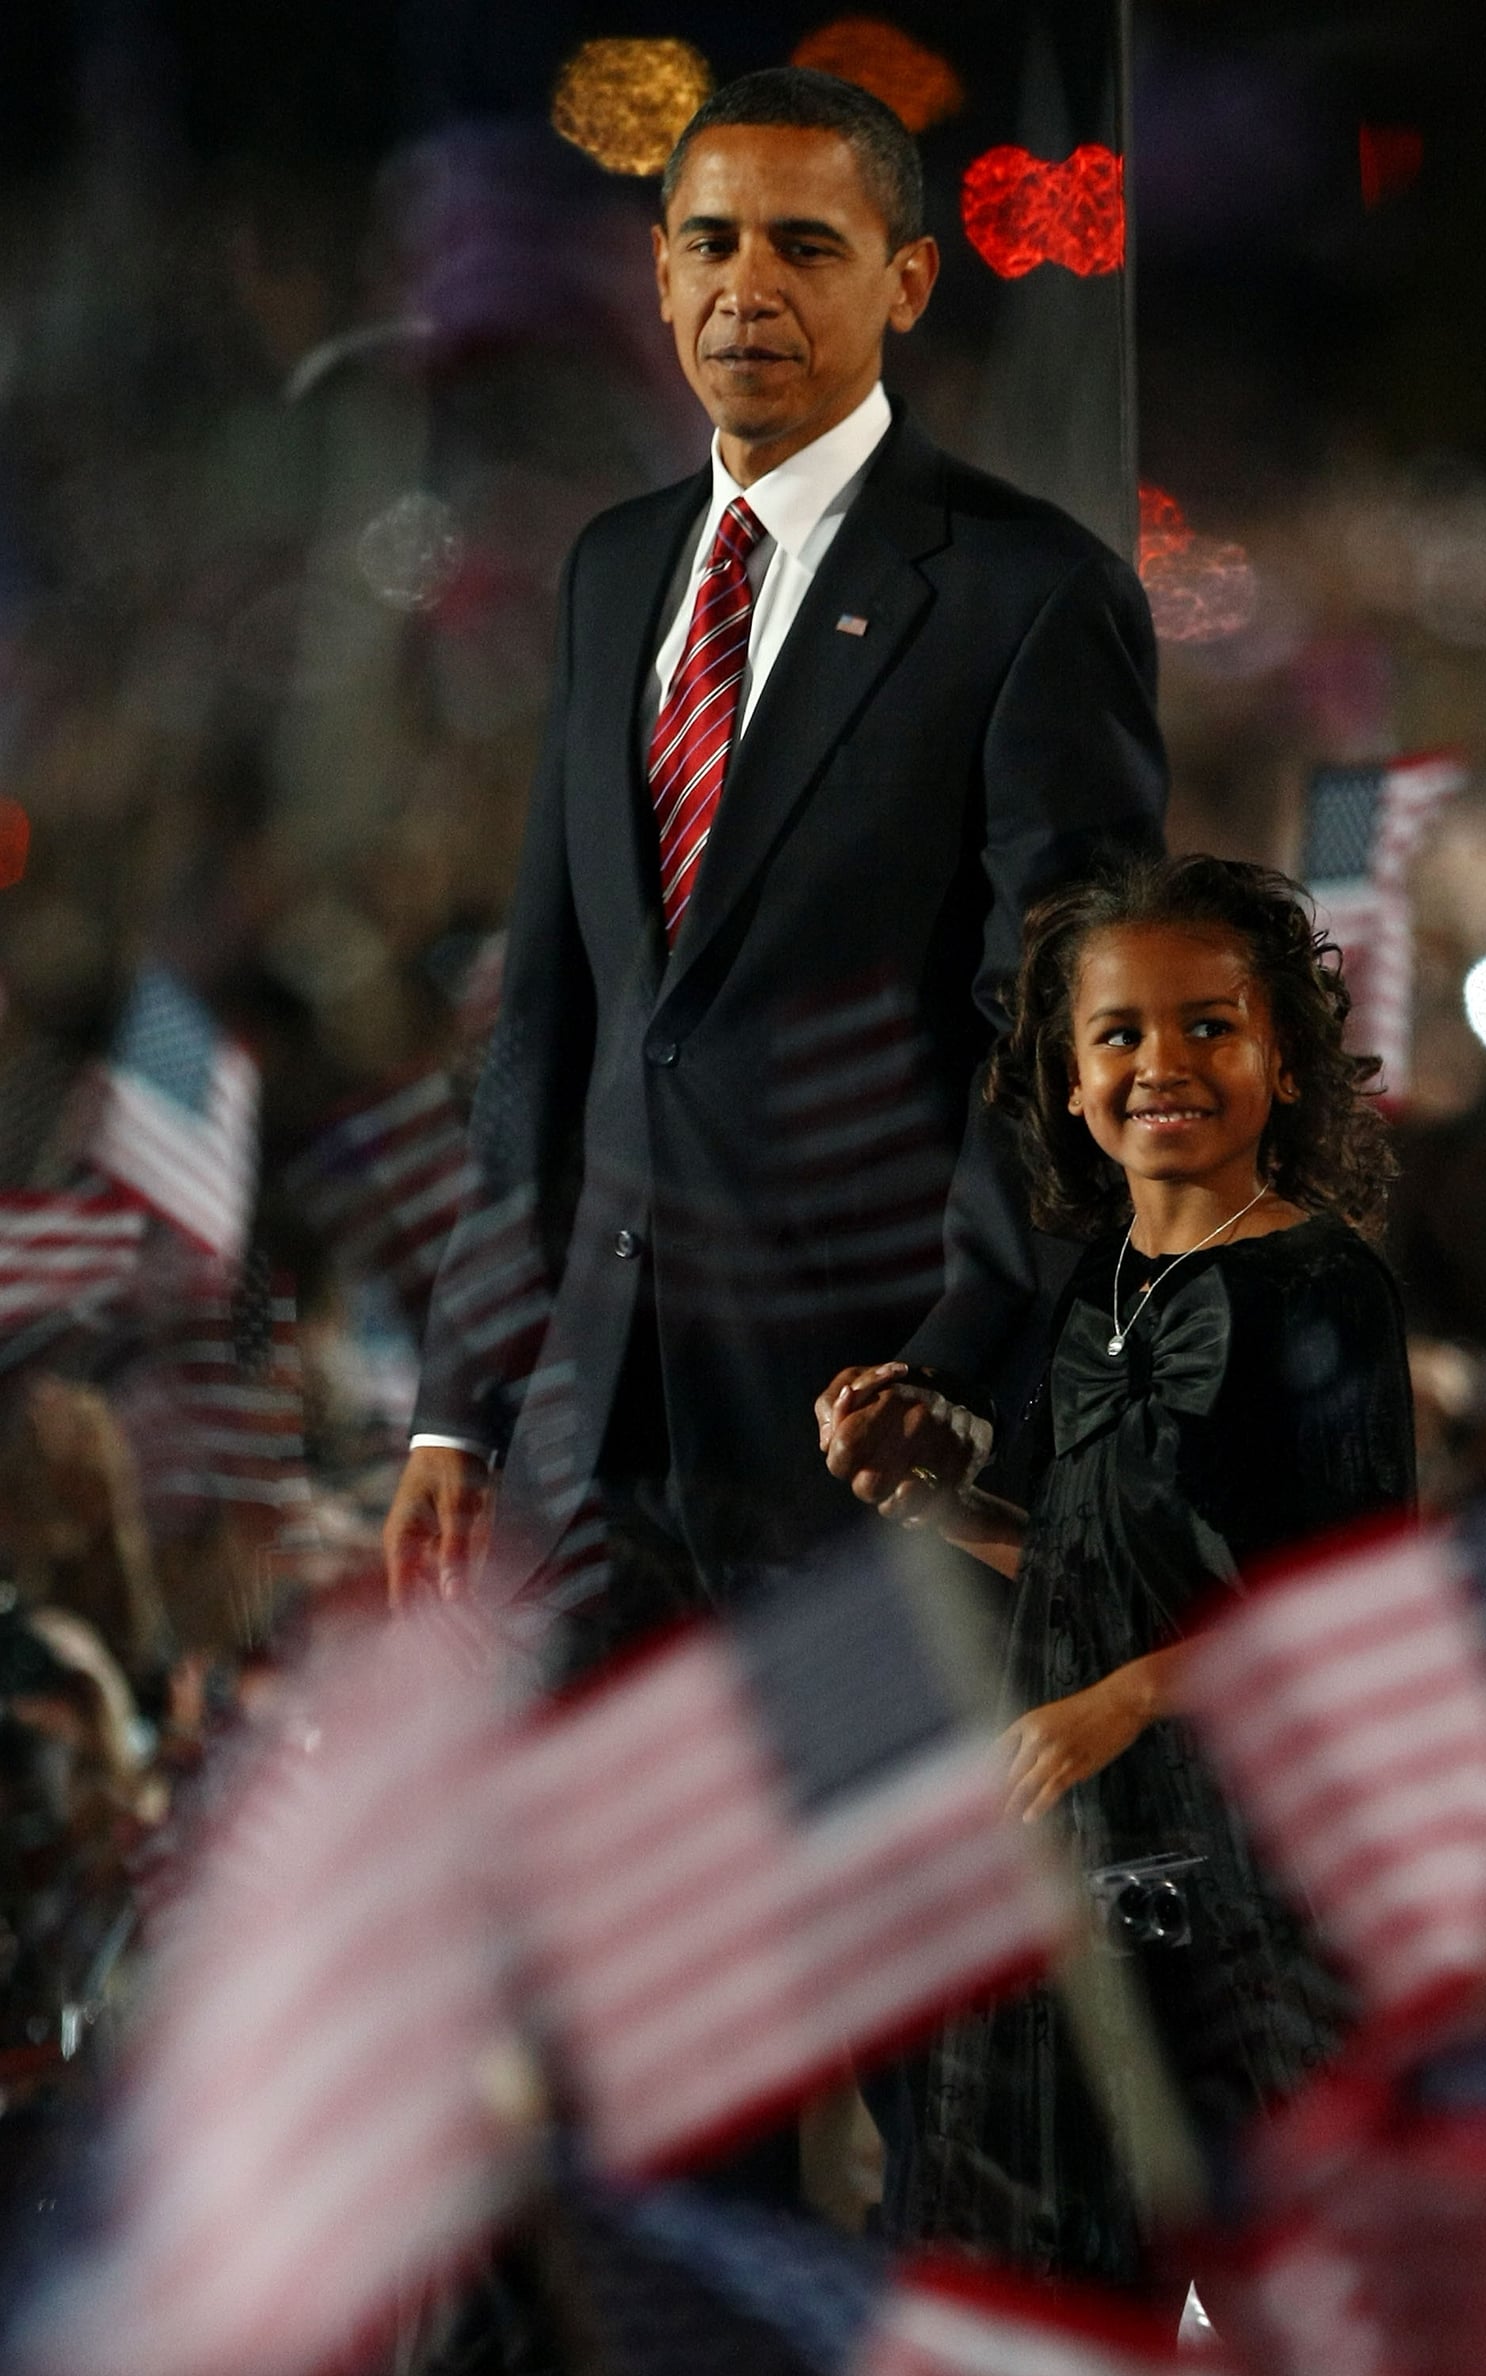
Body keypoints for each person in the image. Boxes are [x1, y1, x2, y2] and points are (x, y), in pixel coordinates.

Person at [383, 68, 1167, 1667]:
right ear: (661, 271)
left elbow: (1061, 1035)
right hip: (589, 1442)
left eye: (806, 246)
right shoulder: (613, 570)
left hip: (863, 1444)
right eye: (713, 242)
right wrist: (459, 1403)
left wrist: (956, 1376)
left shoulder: (1029, 594)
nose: (750, 287)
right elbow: (552, 1017)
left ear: (907, 279)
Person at [845, 854, 1415, 2291]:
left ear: (1286, 1061)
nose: (1164, 1062)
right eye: (1120, 1034)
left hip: (1248, 1901)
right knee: (1069, 2292)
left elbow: (1348, 1614)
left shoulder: (1324, 1289)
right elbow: (1092, 1558)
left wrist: (1122, 1704)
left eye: (1209, 1025)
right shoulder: (1091, 1285)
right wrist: (940, 1507)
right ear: (1069, 1080)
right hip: (1081, 1892)